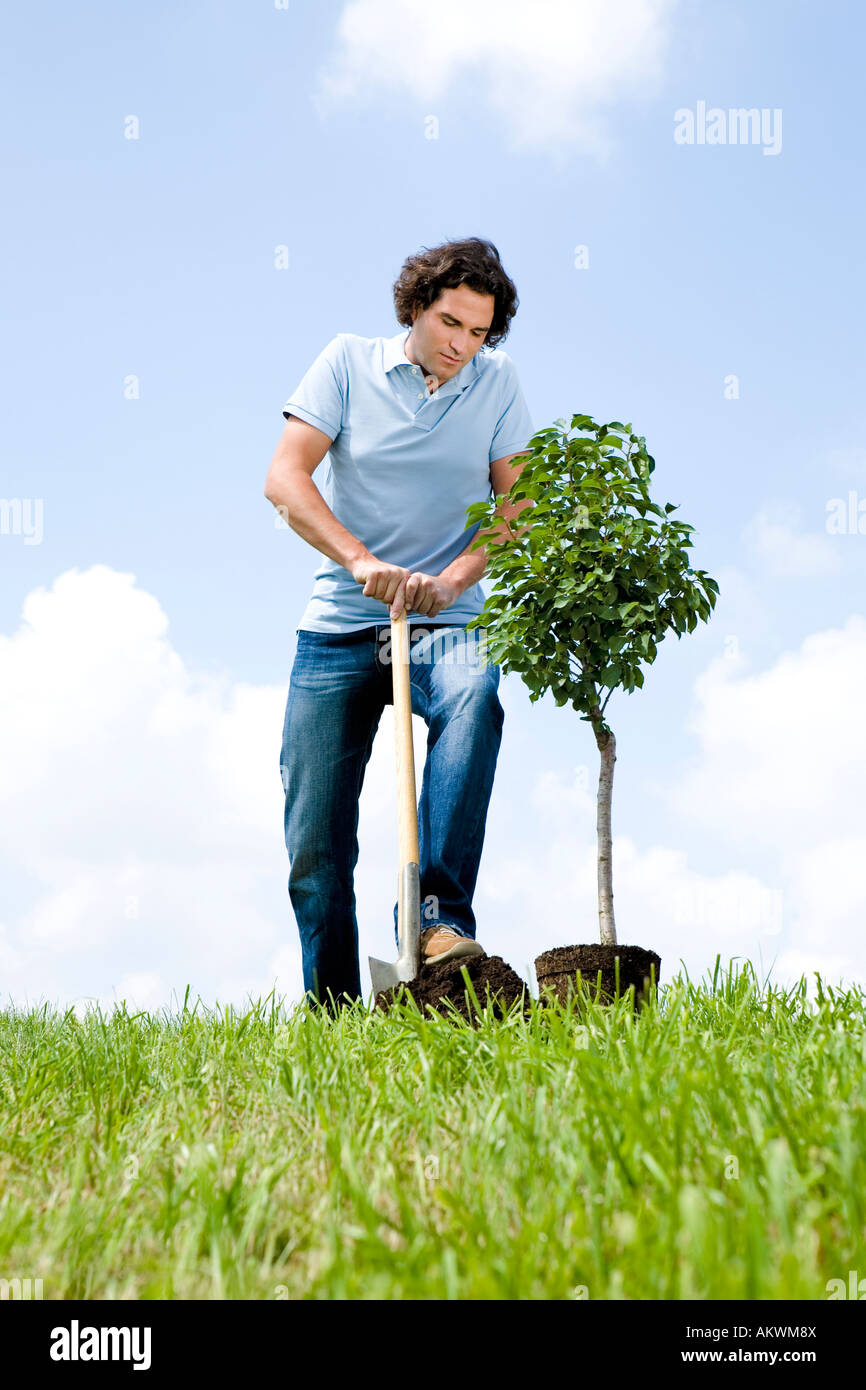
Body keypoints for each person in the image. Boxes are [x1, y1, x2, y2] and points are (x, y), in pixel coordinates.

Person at [264, 236, 534, 1009]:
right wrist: (357, 561)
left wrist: (452, 580)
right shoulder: (347, 362)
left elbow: (516, 504)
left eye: (479, 333)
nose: (461, 344)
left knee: (475, 697)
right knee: (315, 842)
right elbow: (285, 478)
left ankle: (434, 922)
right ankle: (332, 1009)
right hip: (342, 624)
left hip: (445, 621)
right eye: (450, 322)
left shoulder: (498, 384)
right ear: (415, 307)